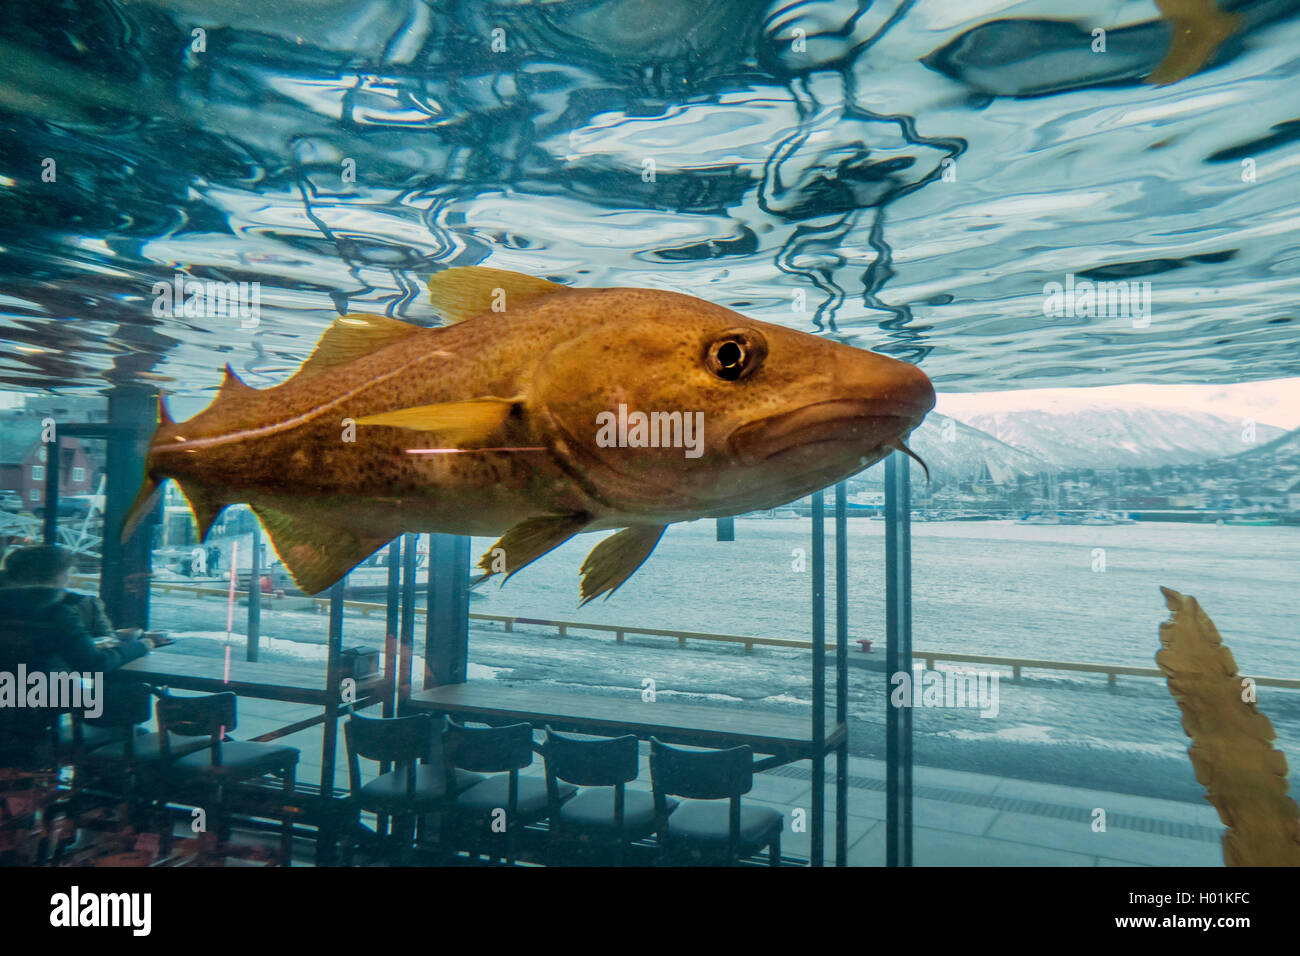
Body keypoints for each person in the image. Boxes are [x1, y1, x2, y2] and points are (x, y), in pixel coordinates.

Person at [0, 546, 154, 761]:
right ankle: (110, 763)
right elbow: (95, 664)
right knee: (134, 693)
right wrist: (143, 645)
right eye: (68, 572)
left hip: (10, 698)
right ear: (56, 575)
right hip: (38, 697)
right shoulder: (54, 611)